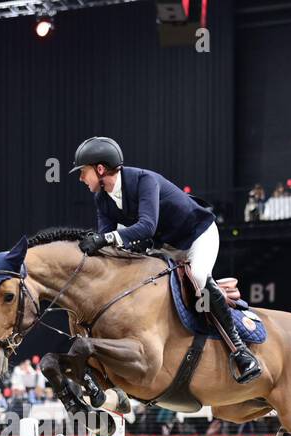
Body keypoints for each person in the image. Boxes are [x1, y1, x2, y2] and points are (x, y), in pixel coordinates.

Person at [69, 136, 260, 384]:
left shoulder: (143, 181)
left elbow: (146, 227)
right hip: (165, 247)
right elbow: (109, 242)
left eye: (83, 172)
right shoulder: (102, 198)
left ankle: (240, 350)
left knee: (200, 277)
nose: (81, 178)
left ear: (100, 169)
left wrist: (104, 239)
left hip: (196, 236)